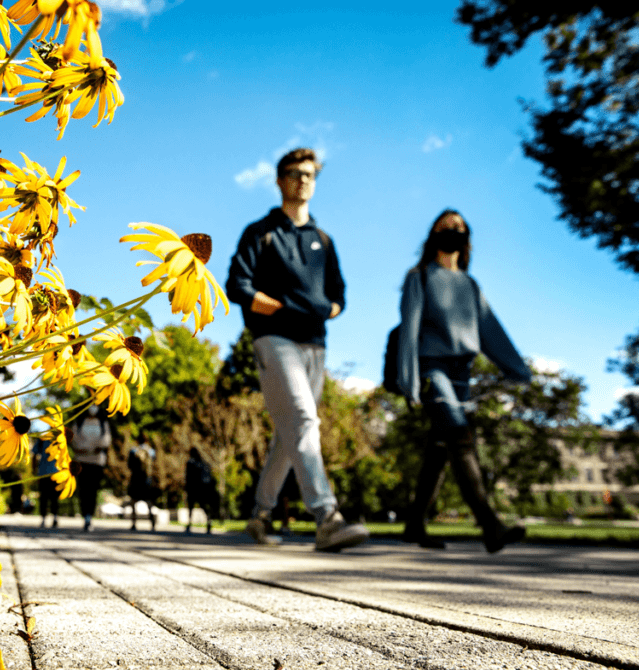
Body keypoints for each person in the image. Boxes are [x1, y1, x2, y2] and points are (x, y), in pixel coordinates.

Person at [225, 147, 369, 552]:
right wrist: (276, 308)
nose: (302, 180)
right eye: (293, 173)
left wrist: (327, 310)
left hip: (315, 342)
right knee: (304, 419)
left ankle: (259, 516)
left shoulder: (323, 239)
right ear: (279, 180)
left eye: (309, 174)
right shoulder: (261, 232)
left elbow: (339, 294)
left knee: (290, 431)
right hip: (274, 338)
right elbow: (237, 285)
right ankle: (327, 518)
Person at [397, 209, 532, 553]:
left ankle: (414, 524)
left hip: (462, 373)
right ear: (433, 235)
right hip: (432, 368)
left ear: (466, 236)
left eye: (457, 227)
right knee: (459, 436)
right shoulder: (419, 277)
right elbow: (409, 330)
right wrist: (409, 380)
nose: (451, 231)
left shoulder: (470, 285)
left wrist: (517, 368)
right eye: (444, 226)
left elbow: (490, 328)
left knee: (439, 450)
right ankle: (491, 525)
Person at [70, 403, 112, 532]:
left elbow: (106, 439)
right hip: (81, 460)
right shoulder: (79, 422)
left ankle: (89, 516)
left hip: (97, 462)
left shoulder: (103, 423)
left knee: (93, 490)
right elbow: (73, 438)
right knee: (83, 490)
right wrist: (80, 448)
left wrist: (97, 447)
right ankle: (85, 516)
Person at [127, 435, 157, 531]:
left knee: (133, 502)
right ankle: (152, 522)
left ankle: (134, 523)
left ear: (137, 441)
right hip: (146, 479)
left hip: (135, 479)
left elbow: (129, 465)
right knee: (149, 502)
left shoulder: (133, 451)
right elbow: (154, 462)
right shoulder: (151, 451)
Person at [185, 447, 218, 534]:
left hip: (193, 489)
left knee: (191, 507)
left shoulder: (190, 463)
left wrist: (187, 487)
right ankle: (208, 522)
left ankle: (189, 524)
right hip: (203, 489)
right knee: (203, 506)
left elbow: (188, 477)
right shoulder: (203, 463)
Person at [33, 437, 60, 528]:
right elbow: (34, 454)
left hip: (55, 474)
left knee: (54, 497)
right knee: (44, 497)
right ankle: (44, 518)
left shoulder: (59, 440)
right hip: (43, 473)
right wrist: (34, 470)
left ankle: (54, 517)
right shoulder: (41, 440)